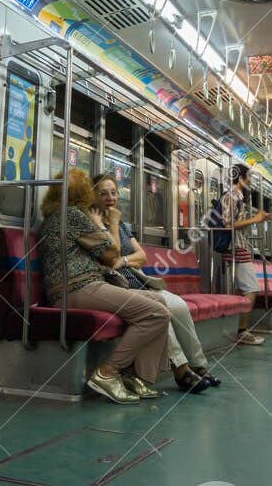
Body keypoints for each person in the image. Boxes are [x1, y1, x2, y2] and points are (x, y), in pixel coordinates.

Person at [38, 168, 170, 404]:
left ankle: (135, 378)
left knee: (159, 302)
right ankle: (107, 373)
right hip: (77, 288)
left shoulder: (54, 216)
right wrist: (102, 225)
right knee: (157, 313)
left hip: (77, 287)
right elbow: (111, 254)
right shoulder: (73, 215)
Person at [91, 173, 220, 395]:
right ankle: (181, 370)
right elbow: (110, 257)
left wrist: (122, 260)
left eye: (114, 192)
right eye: (104, 193)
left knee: (178, 305)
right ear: (93, 196)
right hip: (119, 286)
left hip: (140, 282)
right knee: (160, 311)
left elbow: (141, 256)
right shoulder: (93, 224)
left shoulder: (120, 223)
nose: (111, 197)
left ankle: (199, 365)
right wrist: (115, 239)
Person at [215, 164, 272, 345]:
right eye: (248, 178)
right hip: (235, 247)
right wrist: (255, 219)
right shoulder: (231, 196)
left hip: (239, 246)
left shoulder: (238, 197)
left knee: (242, 289)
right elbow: (227, 224)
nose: (250, 182)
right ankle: (241, 331)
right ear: (240, 179)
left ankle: (237, 328)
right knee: (251, 289)